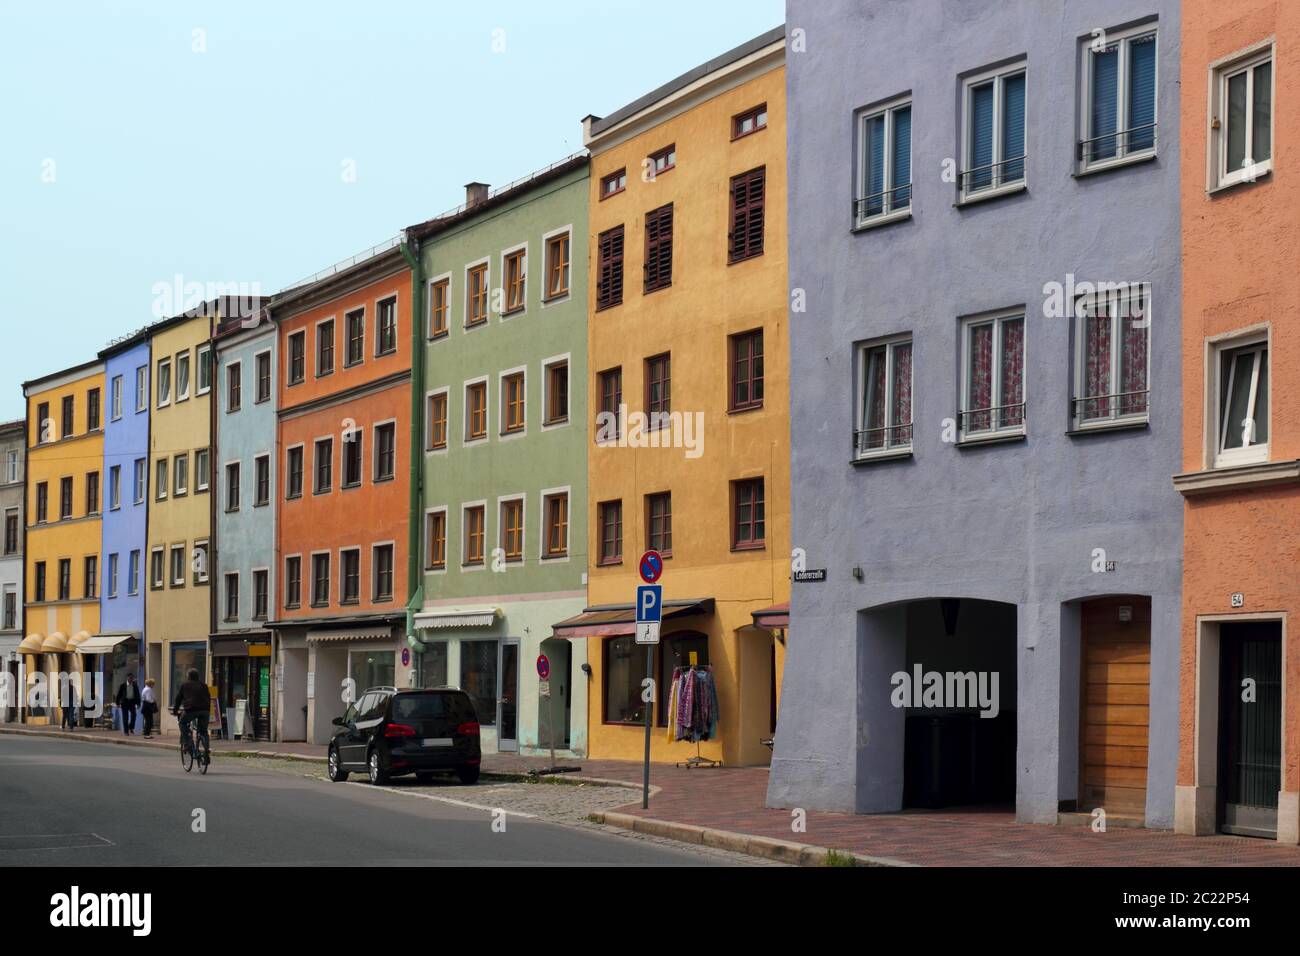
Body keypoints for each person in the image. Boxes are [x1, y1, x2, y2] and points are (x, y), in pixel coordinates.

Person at [172, 669, 211, 761]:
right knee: (203, 731)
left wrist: (175, 711)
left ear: (188, 676)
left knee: (182, 723)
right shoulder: (204, 685)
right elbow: (208, 697)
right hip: (205, 710)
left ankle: (187, 742)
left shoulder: (185, 685)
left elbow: (178, 699)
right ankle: (206, 750)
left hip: (191, 709)